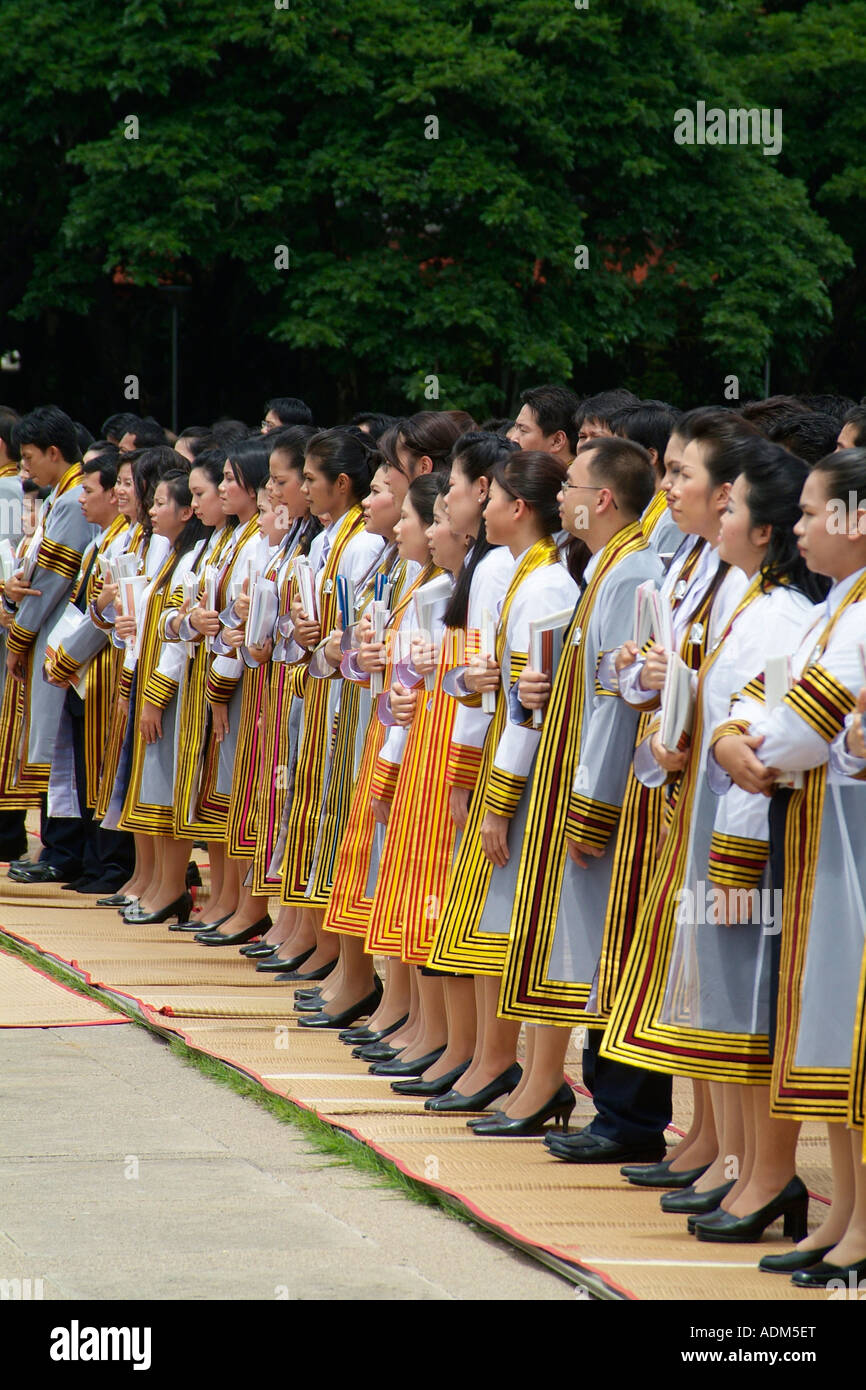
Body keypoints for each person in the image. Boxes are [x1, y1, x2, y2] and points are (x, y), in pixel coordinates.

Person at [710, 447, 866, 1286]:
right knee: (832, 1029)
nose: (799, 528)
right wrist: (733, 734)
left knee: (851, 1028)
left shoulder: (859, 617)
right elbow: (765, 696)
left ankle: (860, 1223)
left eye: (812, 513)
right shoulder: (834, 607)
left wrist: (747, 742)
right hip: (820, 840)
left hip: (849, 846)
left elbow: (804, 725)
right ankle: (846, 1215)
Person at [424, 451, 578, 1111]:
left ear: (519, 508)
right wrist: (477, 680)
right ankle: (494, 1062)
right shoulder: (523, 573)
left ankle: (520, 1072)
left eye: (492, 497)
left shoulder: (543, 584)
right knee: (491, 923)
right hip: (503, 762)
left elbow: (528, 713)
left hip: (525, 773)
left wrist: (498, 799)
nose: (482, 506)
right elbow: (494, 682)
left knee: (517, 927)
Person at [0, 406, 96, 883]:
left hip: (61, 638)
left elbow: (52, 581)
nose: (25, 467)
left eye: (30, 456)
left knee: (63, 750)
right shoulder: (63, 495)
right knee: (56, 747)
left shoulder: (74, 499)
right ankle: (59, 848)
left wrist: (18, 637)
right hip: (52, 636)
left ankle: (64, 850)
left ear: (54, 452)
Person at [44, 445, 134, 893]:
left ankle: (111, 866)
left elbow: (102, 616)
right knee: (87, 770)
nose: (82, 498)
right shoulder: (103, 541)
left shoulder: (124, 542)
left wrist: (63, 658)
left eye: (89, 490)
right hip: (86, 675)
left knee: (105, 770)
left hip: (106, 671)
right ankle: (95, 862)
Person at [507, 385, 579, 466]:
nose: (513, 439)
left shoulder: (580, 474)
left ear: (557, 441)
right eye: (516, 428)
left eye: (523, 430)